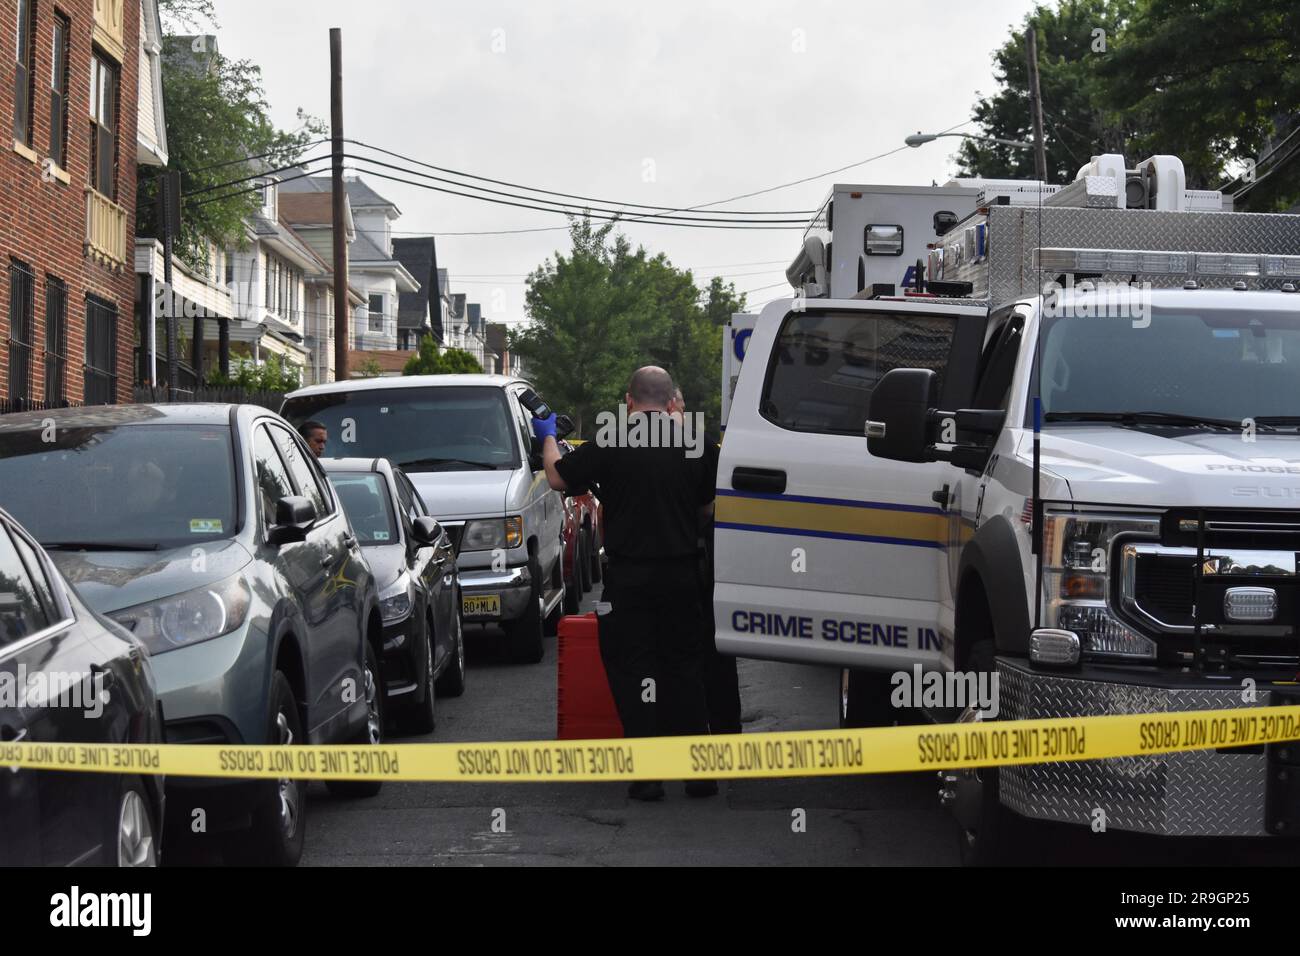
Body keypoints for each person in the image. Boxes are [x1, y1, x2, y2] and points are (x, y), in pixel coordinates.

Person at [535, 366, 716, 802]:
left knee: (636, 669)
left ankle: (648, 775)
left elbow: (558, 476)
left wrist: (545, 435)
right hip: (681, 574)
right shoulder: (696, 442)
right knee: (685, 668)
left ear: (629, 401)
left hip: (630, 578)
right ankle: (699, 775)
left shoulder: (613, 439)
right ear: (670, 398)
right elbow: (709, 504)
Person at [671, 388, 742, 735]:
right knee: (712, 653)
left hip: (645, 571)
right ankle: (725, 730)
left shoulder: (623, 445)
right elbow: (712, 505)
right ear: (675, 405)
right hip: (700, 566)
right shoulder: (703, 446)